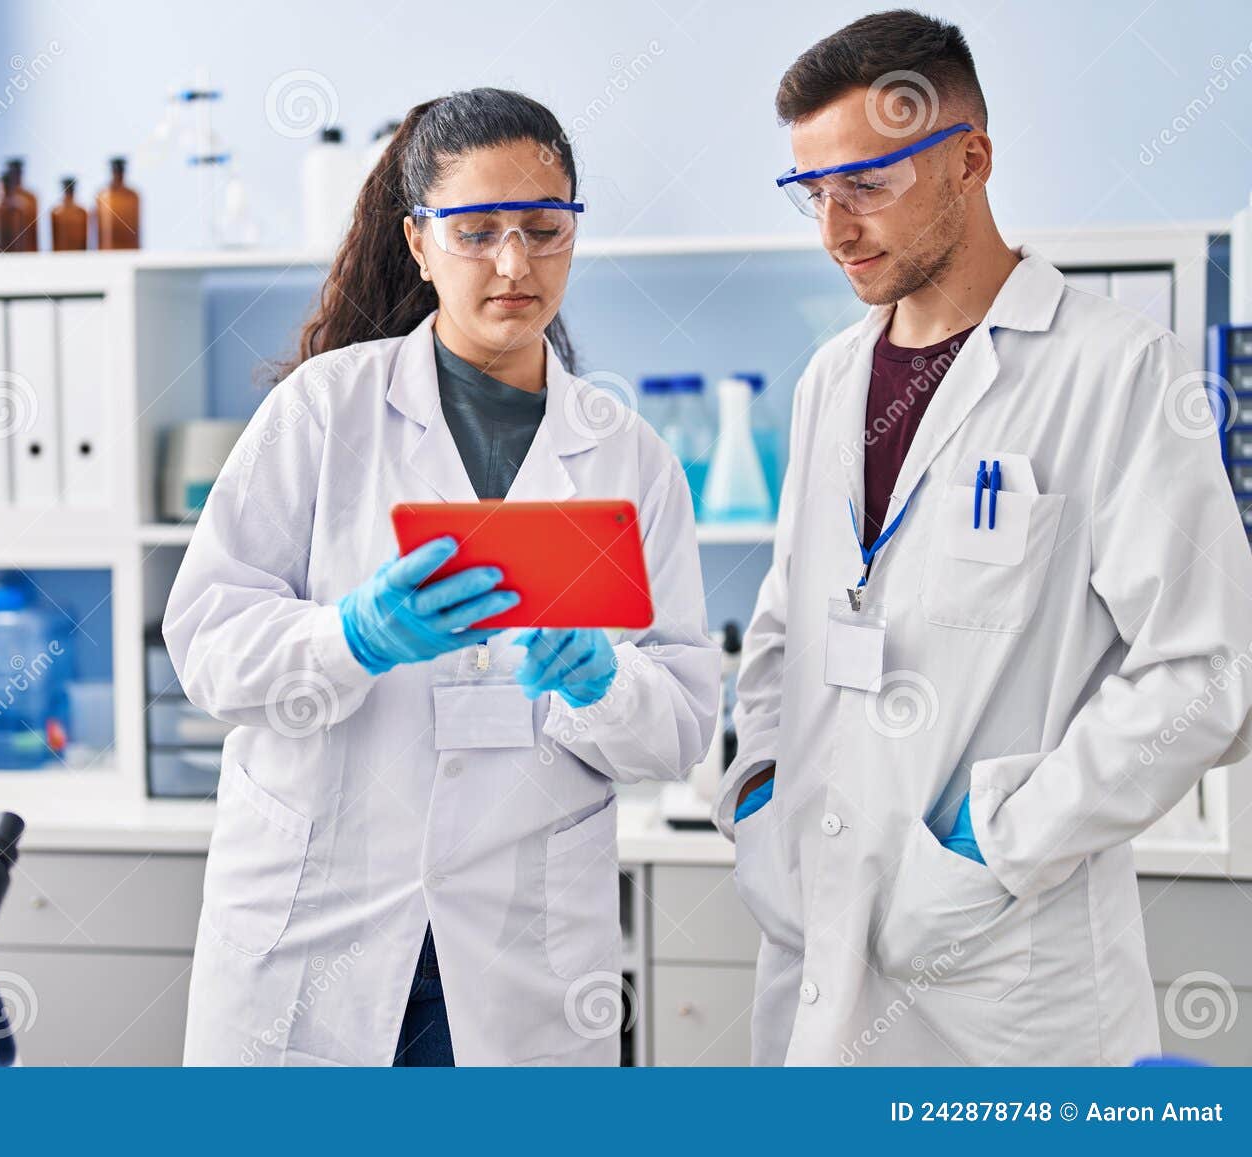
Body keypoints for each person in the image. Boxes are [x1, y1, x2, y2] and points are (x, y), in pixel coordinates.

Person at [716, 10, 1252, 1066]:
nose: (834, 227)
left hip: (1008, 978)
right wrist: (761, 794)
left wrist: (993, 841)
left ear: (970, 159)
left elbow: (1209, 671)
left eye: (866, 185)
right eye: (810, 193)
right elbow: (786, 632)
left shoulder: (1118, 371)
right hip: (817, 937)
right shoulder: (832, 379)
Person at [165, 87, 722, 1066]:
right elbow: (205, 643)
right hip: (317, 931)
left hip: (521, 959)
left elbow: (678, 722)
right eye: (474, 232)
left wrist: (604, 682)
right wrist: (351, 636)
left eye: (543, 229)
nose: (514, 263)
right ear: (418, 242)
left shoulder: (630, 458)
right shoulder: (323, 412)